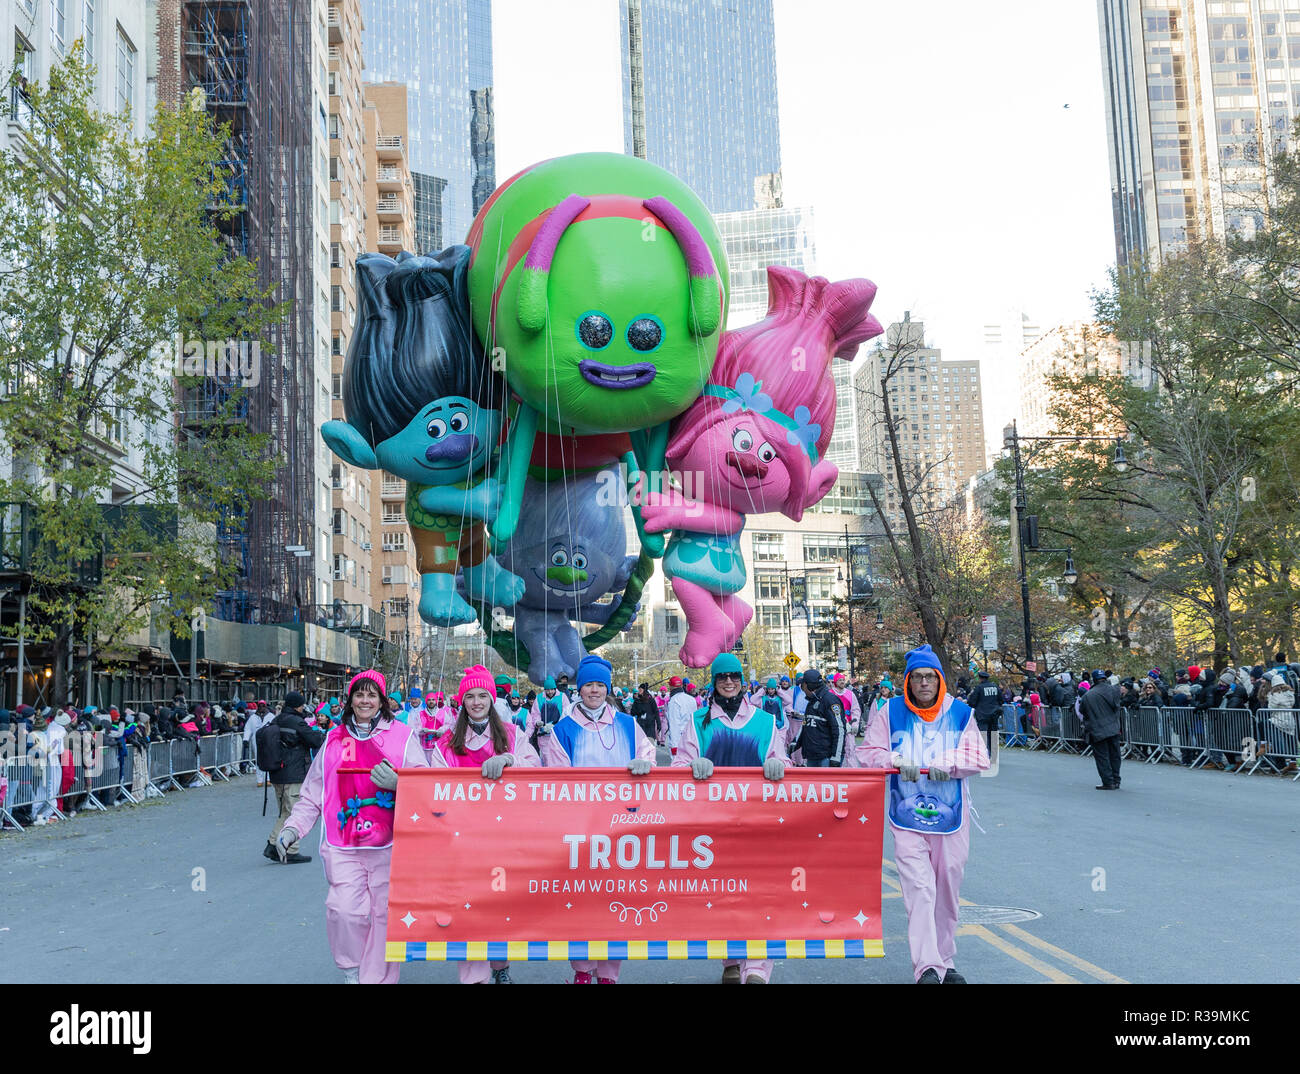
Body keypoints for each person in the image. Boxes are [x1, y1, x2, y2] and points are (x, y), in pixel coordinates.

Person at [277, 670, 427, 984]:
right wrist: (293, 829)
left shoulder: (402, 736)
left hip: (390, 845)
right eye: (360, 694)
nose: (365, 700)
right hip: (342, 844)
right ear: (351, 699)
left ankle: (378, 980)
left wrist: (402, 784)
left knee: (385, 916)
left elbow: (425, 786)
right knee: (344, 911)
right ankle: (352, 970)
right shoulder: (333, 739)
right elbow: (312, 793)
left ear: (382, 700)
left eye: (372, 694)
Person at [851, 644, 989, 983]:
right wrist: (894, 762)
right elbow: (867, 753)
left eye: (930, 677)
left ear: (940, 679)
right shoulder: (890, 712)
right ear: (908, 682)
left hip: (951, 817)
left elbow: (981, 758)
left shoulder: (960, 713)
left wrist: (949, 763)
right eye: (917, 678)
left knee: (947, 889)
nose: (924, 683)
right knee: (919, 888)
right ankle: (927, 966)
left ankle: (945, 959)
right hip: (906, 816)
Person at [536, 653, 655, 984]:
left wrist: (646, 766)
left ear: (608, 688)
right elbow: (557, 779)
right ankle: (583, 971)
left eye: (600, 685)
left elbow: (647, 761)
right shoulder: (563, 729)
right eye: (588, 684)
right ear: (579, 688)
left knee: (617, 900)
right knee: (582, 901)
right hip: (581, 832)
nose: (594, 691)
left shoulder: (628, 725)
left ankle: (609, 974)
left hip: (623, 829)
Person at [673, 653, 789, 983]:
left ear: (742, 681)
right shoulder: (698, 721)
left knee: (761, 893)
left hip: (759, 821)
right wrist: (693, 767)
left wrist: (779, 765)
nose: (728, 682)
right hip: (713, 824)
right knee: (723, 894)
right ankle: (731, 961)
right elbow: (680, 764)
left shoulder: (765, 721)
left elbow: (782, 761)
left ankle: (757, 968)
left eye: (734, 677)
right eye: (722, 677)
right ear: (714, 682)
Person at [428, 665, 541, 983]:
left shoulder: (512, 732)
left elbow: (535, 768)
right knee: (468, 905)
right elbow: (435, 783)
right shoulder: (448, 742)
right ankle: (472, 975)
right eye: (470, 696)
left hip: (504, 836)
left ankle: (500, 966)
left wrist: (510, 760)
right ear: (462, 701)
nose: (476, 702)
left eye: (482, 695)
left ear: (492, 699)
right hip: (464, 837)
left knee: (500, 904)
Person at [263, 691, 326, 864]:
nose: (303, 707)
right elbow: (315, 740)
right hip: (293, 773)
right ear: (297, 705)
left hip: (277, 773)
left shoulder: (277, 719)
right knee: (293, 812)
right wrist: (322, 731)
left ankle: (272, 844)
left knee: (285, 811)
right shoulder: (297, 722)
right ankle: (290, 850)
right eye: (302, 704)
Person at [1079, 669, 1124, 789]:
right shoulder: (1114, 690)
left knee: (1102, 756)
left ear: (1093, 680)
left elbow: (1082, 710)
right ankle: (1116, 779)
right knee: (1115, 755)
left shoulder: (1088, 695)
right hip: (1113, 728)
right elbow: (1117, 705)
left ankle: (1108, 782)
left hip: (1097, 729)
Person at [792, 668, 845, 767]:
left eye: (803, 686)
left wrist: (836, 756)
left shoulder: (830, 700)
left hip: (826, 757)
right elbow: (806, 725)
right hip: (812, 756)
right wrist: (795, 743)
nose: (802, 689)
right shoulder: (812, 701)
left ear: (810, 685)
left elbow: (839, 729)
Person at [967, 671, 1002, 754]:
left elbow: (972, 702)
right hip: (994, 715)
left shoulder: (979, 688)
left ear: (980, 678)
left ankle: (984, 754)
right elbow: (1001, 700)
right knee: (993, 734)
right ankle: (993, 754)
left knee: (983, 734)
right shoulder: (995, 687)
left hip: (982, 715)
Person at [665, 676, 695, 758]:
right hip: (692, 737)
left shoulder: (674, 701)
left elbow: (674, 724)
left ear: (671, 686)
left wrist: (674, 746)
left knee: (678, 768)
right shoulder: (691, 699)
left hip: (679, 739)